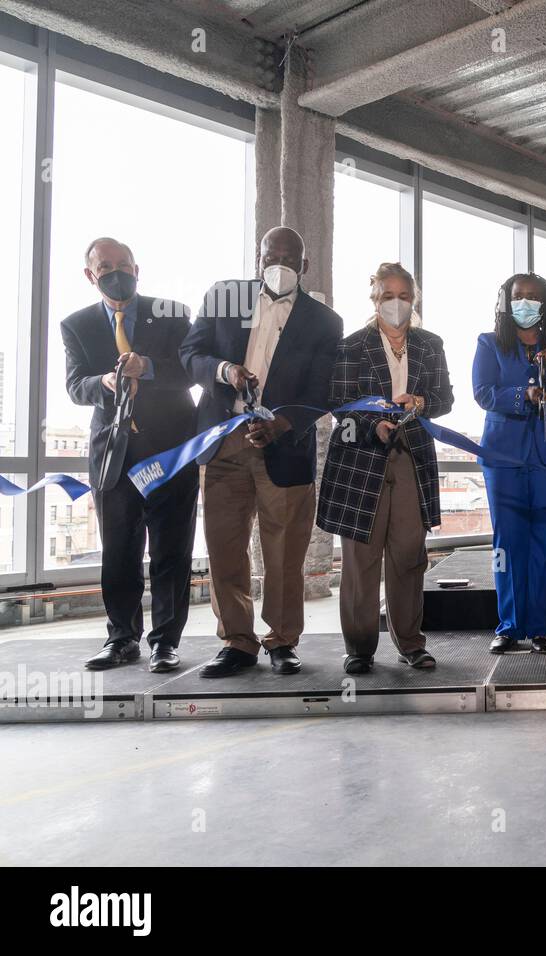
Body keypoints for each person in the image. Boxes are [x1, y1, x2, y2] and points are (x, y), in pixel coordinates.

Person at [180, 226, 343, 678]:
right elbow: (190, 355)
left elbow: (322, 390)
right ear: (258, 256)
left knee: (285, 550)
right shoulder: (222, 297)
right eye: (272, 256)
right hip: (223, 440)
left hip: (285, 444)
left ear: (304, 266)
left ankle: (283, 640)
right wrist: (223, 369)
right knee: (224, 546)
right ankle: (237, 641)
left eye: (291, 259)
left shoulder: (325, 321)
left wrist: (283, 424)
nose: (281, 265)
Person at [62, 238, 198, 672]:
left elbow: (189, 372)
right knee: (118, 551)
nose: (116, 271)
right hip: (114, 457)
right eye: (105, 266)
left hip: (171, 452)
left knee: (170, 550)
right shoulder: (76, 325)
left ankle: (165, 643)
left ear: (138, 269)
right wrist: (104, 383)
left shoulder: (172, 314)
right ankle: (121, 639)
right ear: (90, 274)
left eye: (123, 264)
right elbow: (75, 386)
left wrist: (150, 369)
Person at [317, 263, 453, 673]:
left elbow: (445, 398)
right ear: (374, 298)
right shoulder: (350, 346)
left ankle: (411, 643)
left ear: (414, 299)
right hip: (361, 462)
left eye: (404, 295)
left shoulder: (431, 344)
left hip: (411, 458)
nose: (397, 303)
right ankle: (359, 648)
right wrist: (371, 423)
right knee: (361, 560)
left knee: (409, 556)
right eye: (387, 295)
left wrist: (422, 403)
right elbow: (338, 403)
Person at [473, 273, 546, 654]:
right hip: (503, 455)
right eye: (518, 296)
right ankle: (508, 625)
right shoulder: (489, 343)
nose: (525, 302)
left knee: (543, 541)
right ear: (507, 301)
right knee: (507, 543)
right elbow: (483, 392)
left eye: (533, 297)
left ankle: (540, 628)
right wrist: (523, 394)